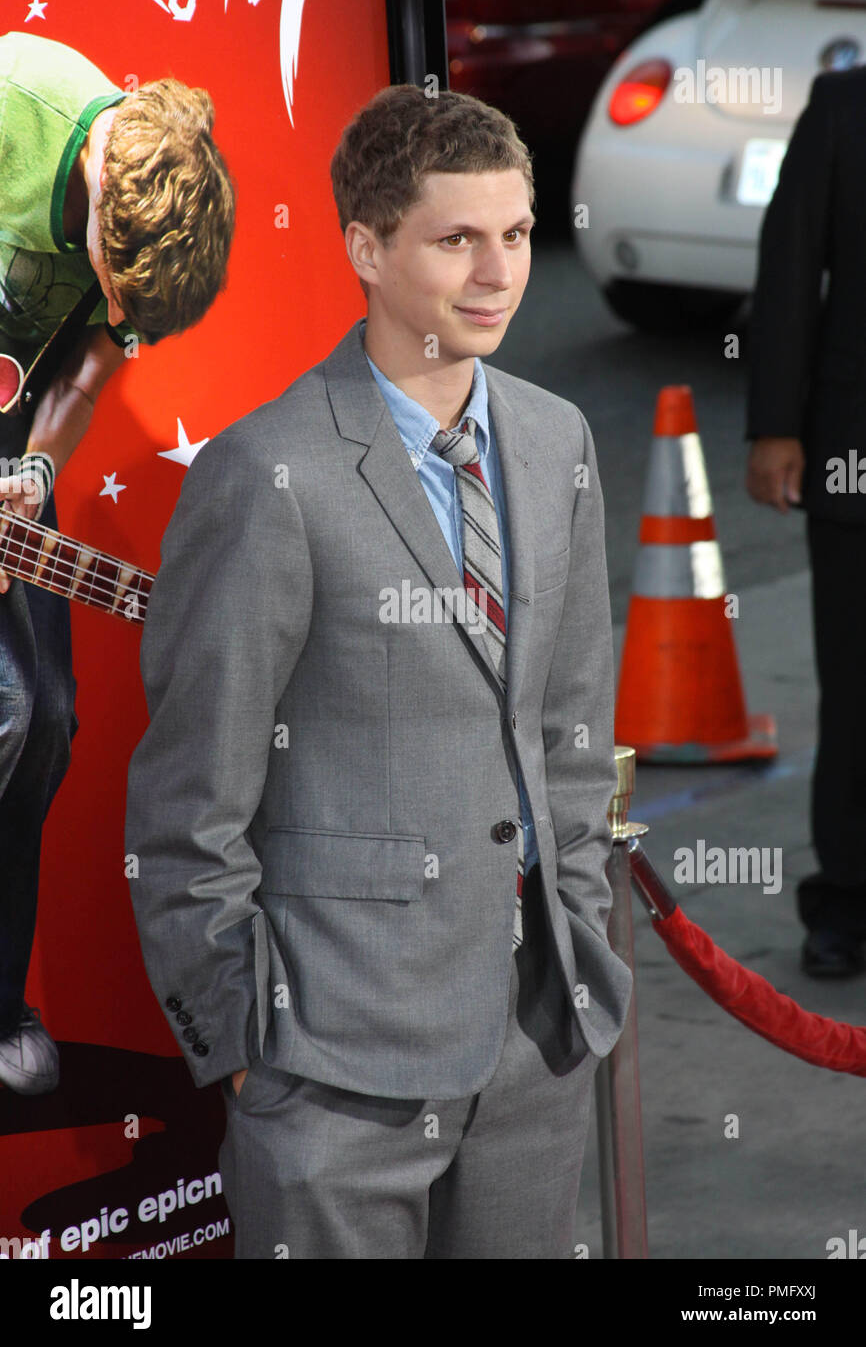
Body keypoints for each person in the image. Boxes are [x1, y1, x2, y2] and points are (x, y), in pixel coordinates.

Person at [126, 83, 632, 1259]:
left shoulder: (556, 439)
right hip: (329, 1071)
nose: (497, 273)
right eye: (455, 240)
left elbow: (567, 723)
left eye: (513, 234)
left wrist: (574, 931)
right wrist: (246, 1047)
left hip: (529, 1047)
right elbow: (187, 801)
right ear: (364, 246)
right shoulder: (267, 476)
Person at [0, 31, 235, 1095]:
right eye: (115, 284)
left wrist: (38, 476)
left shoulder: (158, 196)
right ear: (101, 211)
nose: (121, 317)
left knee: (41, 716)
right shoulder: (13, 104)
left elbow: (88, 364)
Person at [746, 64, 866, 978]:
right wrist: (778, 429)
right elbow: (790, 269)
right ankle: (848, 906)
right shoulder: (844, 106)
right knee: (856, 690)